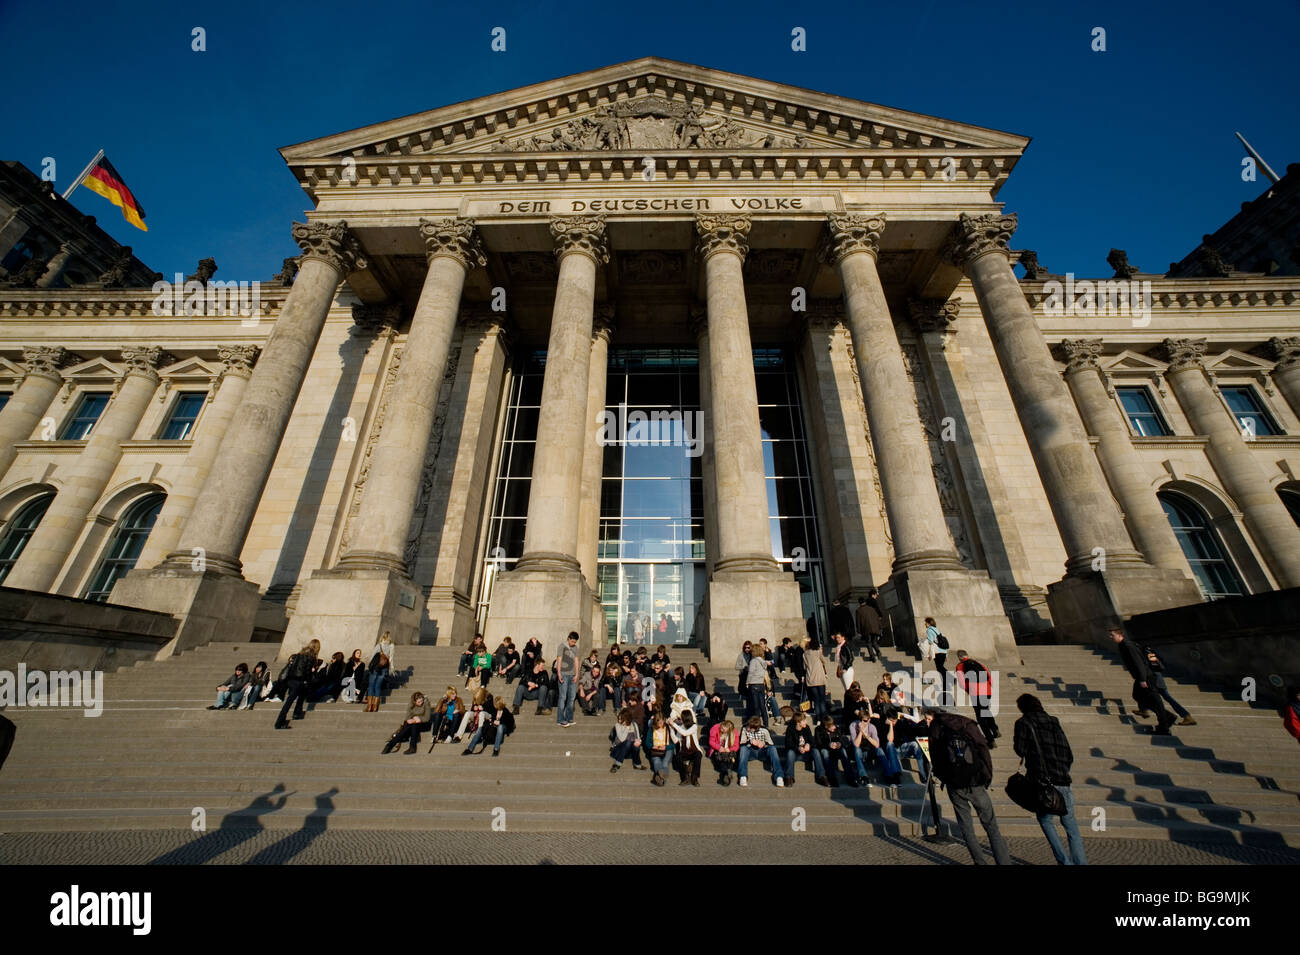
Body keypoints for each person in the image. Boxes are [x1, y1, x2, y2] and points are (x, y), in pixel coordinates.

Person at [924, 706, 1012, 865]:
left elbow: (936, 758)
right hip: (976, 781)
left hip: (955, 784)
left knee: (967, 828)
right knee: (991, 826)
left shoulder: (936, 728)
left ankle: (980, 862)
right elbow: (983, 750)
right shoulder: (967, 724)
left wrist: (945, 778)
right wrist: (987, 776)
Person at [1014, 693, 1087, 865]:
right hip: (1063, 779)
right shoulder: (1054, 721)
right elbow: (1068, 753)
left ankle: (1064, 861)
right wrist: (1062, 769)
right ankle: (1080, 862)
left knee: (1045, 820)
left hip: (1042, 782)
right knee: (1071, 826)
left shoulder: (1023, 723)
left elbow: (1020, 749)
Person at [1110, 628, 1175, 735]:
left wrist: (1142, 679)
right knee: (1138, 696)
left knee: (1155, 700)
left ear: (1120, 635)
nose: (1111, 637)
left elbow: (1138, 662)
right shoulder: (1124, 645)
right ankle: (1167, 716)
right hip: (1143, 676)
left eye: (1112, 635)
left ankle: (1164, 726)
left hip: (1146, 677)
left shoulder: (1128, 646)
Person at [1135, 643, 1196, 726]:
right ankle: (1143, 710)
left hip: (1155, 679)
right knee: (1142, 693)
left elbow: (1155, 665)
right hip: (1154, 678)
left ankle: (1187, 716)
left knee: (1166, 697)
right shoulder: (1147, 652)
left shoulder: (1148, 652)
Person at [953, 650, 1000, 747]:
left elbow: (962, 683)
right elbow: (989, 676)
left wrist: (968, 690)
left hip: (975, 692)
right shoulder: (978, 663)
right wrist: (989, 687)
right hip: (986, 690)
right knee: (986, 710)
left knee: (980, 717)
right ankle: (995, 729)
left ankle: (990, 740)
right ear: (967, 655)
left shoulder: (960, 666)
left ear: (959, 657)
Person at [274, 641, 319, 729]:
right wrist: (308, 679)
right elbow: (307, 671)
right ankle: (279, 722)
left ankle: (297, 713)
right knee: (289, 701)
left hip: (291, 680)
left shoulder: (299, 654)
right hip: (300, 680)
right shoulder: (311, 657)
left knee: (300, 695)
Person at [738, 716, 784, 787]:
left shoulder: (764, 730)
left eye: (751, 728)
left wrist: (763, 743)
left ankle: (779, 776)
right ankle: (743, 776)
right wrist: (750, 742)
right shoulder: (744, 728)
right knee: (743, 748)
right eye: (748, 726)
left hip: (762, 752)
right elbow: (741, 743)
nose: (748, 728)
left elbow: (770, 743)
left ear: (756, 728)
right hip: (751, 753)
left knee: (772, 748)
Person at [814, 716, 855, 787]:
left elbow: (842, 739)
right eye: (832, 726)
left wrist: (839, 743)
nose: (834, 727)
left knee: (843, 751)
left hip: (836, 750)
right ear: (826, 726)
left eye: (834, 725)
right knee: (824, 752)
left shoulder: (837, 729)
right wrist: (828, 745)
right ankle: (832, 778)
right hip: (826, 750)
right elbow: (818, 744)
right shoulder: (818, 730)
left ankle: (850, 778)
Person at [554, 631, 581, 727]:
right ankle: (560, 719)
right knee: (563, 697)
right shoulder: (562, 646)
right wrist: (559, 674)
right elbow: (559, 660)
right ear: (568, 639)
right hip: (564, 674)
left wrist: (577, 674)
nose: (573, 643)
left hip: (572, 675)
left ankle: (569, 718)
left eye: (575, 642)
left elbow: (576, 660)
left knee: (572, 697)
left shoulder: (576, 648)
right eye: (572, 641)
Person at [670, 709, 703, 786]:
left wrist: (674, 725)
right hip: (684, 751)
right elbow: (675, 740)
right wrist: (671, 728)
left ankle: (695, 778)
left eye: (682, 717)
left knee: (698, 755)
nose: (680, 718)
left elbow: (685, 733)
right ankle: (684, 777)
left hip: (694, 750)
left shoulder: (694, 726)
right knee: (678, 757)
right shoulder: (681, 727)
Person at [782, 711, 815, 786]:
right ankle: (789, 777)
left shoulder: (807, 728)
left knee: (815, 751)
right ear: (798, 722)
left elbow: (812, 741)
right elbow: (788, 744)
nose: (806, 722)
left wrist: (808, 744)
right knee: (790, 752)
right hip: (796, 754)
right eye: (803, 720)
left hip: (806, 754)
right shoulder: (790, 729)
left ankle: (821, 776)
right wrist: (798, 748)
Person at [802, 636, 830, 721]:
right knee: (822, 699)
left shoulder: (805, 654)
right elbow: (824, 661)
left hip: (811, 679)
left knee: (816, 700)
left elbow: (804, 666)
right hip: (820, 678)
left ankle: (818, 718)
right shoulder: (817, 652)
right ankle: (824, 718)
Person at [745, 648, 773, 727]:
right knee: (762, 705)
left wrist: (747, 682)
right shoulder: (763, 661)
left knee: (756, 706)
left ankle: (757, 724)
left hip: (754, 684)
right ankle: (766, 724)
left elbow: (751, 672)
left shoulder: (753, 661)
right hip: (761, 684)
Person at [708, 719, 739, 785]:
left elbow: (736, 746)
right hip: (718, 750)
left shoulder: (734, 732)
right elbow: (711, 742)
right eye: (721, 728)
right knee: (720, 760)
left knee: (731, 758)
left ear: (729, 731)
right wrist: (719, 748)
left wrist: (729, 749)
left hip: (728, 752)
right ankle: (727, 772)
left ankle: (726, 775)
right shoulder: (715, 728)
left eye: (724, 730)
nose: (721, 729)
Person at [646, 713, 674, 786]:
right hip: (656, 750)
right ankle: (662, 779)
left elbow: (673, 743)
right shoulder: (651, 729)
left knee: (665, 763)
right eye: (659, 722)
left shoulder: (668, 728)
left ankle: (658, 778)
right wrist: (653, 746)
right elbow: (647, 743)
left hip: (667, 749)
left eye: (662, 722)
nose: (660, 724)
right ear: (656, 722)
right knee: (656, 761)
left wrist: (665, 747)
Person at [922, 617, 948, 693]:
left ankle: (950, 679)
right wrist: (946, 655)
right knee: (940, 667)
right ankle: (945, 682)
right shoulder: (937, 629)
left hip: (937, 652)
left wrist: (924, 642)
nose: (925, 624)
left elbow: (930, 641)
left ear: (929, 623)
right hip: (943, 651)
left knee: (939, 668)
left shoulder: (929, 630)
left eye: (926, 623)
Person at [856, 591, 883, 663]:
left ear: (859, 603)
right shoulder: (871, 608)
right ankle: (878, 651)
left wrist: (859, 631)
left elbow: (858, 621)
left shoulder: (858, 610)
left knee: (868, 642)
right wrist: (880, 627)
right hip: (875, 628)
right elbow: (877, 618)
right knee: (874, 641)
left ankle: (872, 656)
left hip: (866, 629)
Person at [833, 631, 855, 700]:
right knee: (846, 689)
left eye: (839, 637)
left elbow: (851, 658)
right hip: (841, 668)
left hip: (847, 669)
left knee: (849, 689)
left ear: (843, 637)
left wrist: (845, 668)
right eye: (836, 638)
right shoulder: (839, 646)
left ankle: (851, 703)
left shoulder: (845, 645)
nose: (837, 639)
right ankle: (848, 704)